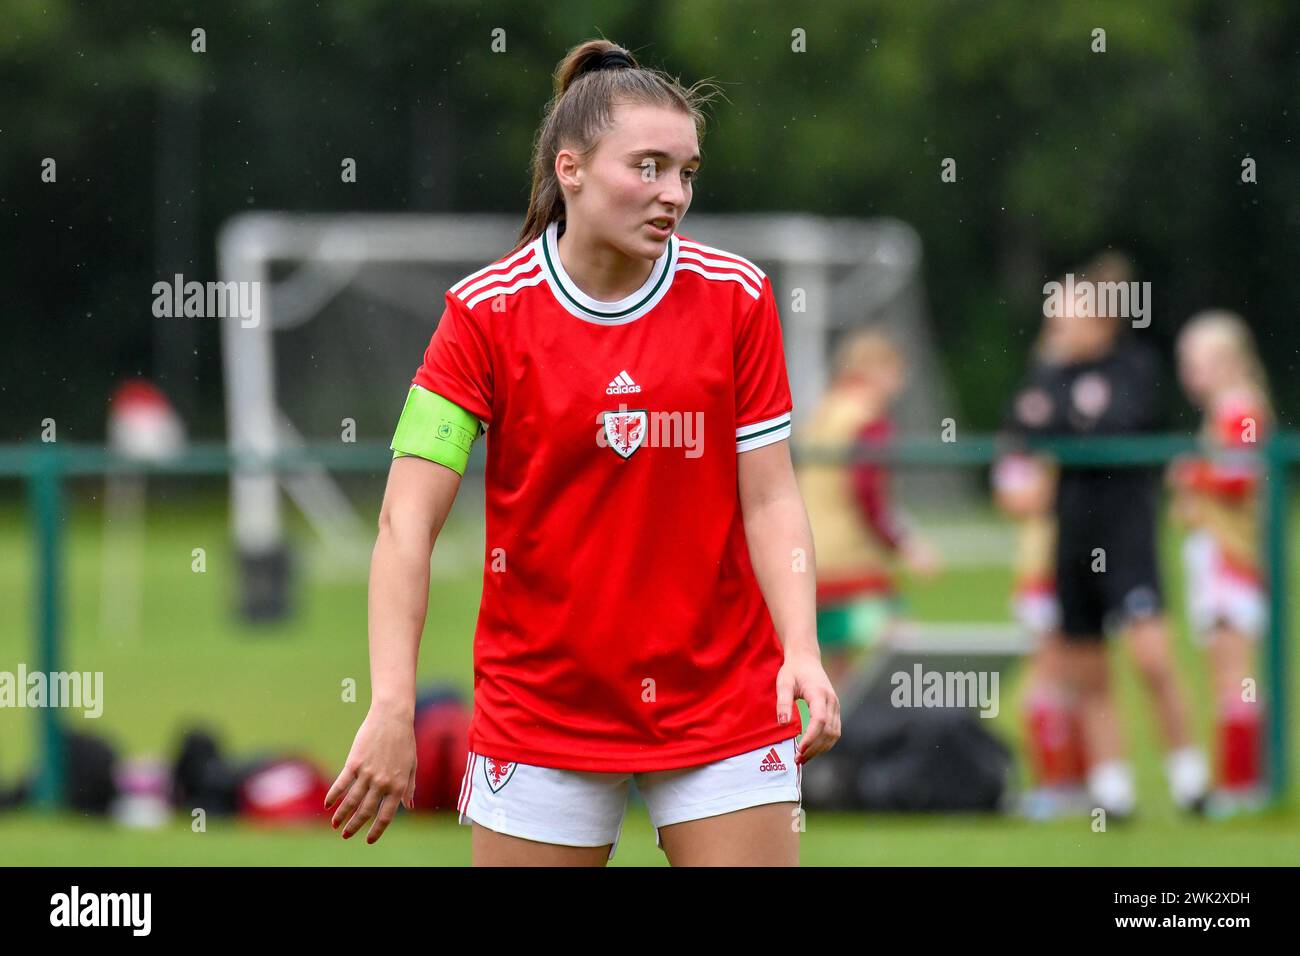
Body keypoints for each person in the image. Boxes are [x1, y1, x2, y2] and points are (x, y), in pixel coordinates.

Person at [324, 40, 840, 866]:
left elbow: (771, 499)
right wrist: (392, 706)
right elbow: (404, 522)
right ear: (570, 169)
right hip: (541, 709)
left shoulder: (737, 297)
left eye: (686, 171)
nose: (673, 194)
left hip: (723, 699)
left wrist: (802, 651)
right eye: (648, 167)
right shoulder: (482, 315)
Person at [1005, 252, 1208, 820]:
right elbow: (1021, 427)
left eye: (1066, 316)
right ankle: (1112, 789)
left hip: (1128, 536)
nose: (1057, 329)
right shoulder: (1049, 374)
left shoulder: (1135, 367)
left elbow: (1118, 423)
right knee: (1087, 668)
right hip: (1072, 537)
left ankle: (1190, 780)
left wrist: (1061, 421)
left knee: (1152, 660)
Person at [795, 329, 940, 693]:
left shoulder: (824, 412)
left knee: (836, 667)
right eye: (896, 372)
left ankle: (840, 745)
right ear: (876, 370)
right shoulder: (868, 422)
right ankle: (890, 736)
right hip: (853, 563)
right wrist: (904, 544)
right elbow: (869, 495)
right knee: (902, 647)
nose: (900, 384)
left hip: (813, 560)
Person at [1169, 310, 1271, 815]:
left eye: (1197, 362)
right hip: (1219, 557)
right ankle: (1245, 782)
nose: (1189, 373)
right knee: (1227, 674)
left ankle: (1243, 785)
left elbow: (1240, 477)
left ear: (1228, 361)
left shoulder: (1241, 409)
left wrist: (1191, 476)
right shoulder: (1226, 411)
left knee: (1235, 674)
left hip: (1233, 559)